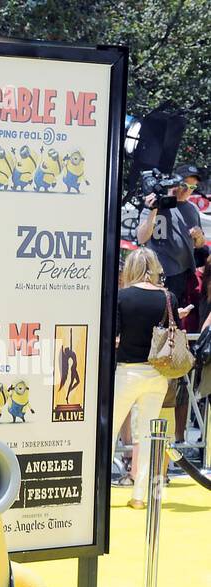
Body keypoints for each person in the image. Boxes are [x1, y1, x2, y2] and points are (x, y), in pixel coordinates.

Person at [113, 247, 193, 508]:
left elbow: (114, 338)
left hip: (127, 371)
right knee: (147, 436)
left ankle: (95, 490)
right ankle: (139, 497)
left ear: (131, 269)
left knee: (108, 434)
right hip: (157, 374)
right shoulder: (168, 298)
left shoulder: (122, 297)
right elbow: (176, 332)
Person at [136, 165, 206, 312]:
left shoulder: (192, 209)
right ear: (174, 182)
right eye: (184, 185)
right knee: (158, 316)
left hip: (182, 275)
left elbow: (200, 244)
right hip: (157, 275)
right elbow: (141, 238)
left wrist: (199, 236)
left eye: (193, 187)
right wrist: (153, 210)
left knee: (177, 319)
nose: (188, 190)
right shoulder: (157, 202)